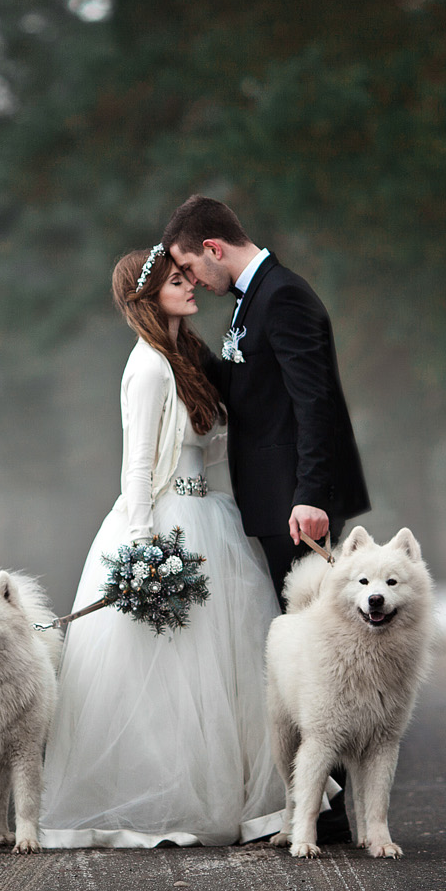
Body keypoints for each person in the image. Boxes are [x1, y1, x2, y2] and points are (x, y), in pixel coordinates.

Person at [38, 246, 285, 847]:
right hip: (166, 525)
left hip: (208, 518)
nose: (191, 284)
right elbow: (139, 464)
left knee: (220, 664)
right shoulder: (148, 366)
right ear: (148, 297)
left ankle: (235, 797)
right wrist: (144, 548)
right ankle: (166, 801)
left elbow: (201, 442)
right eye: (177, 280)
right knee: (168, 669)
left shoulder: (185, 357)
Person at [162, 195, 370, 595]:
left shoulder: (282, 295)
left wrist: (311, 496)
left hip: (297, 506)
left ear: (213, 249)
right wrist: (174, 336)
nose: (192, 281)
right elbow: (247, 385)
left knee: (307, 622)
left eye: (188, 267)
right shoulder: (256, 296)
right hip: (275, 498)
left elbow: (315, 401)